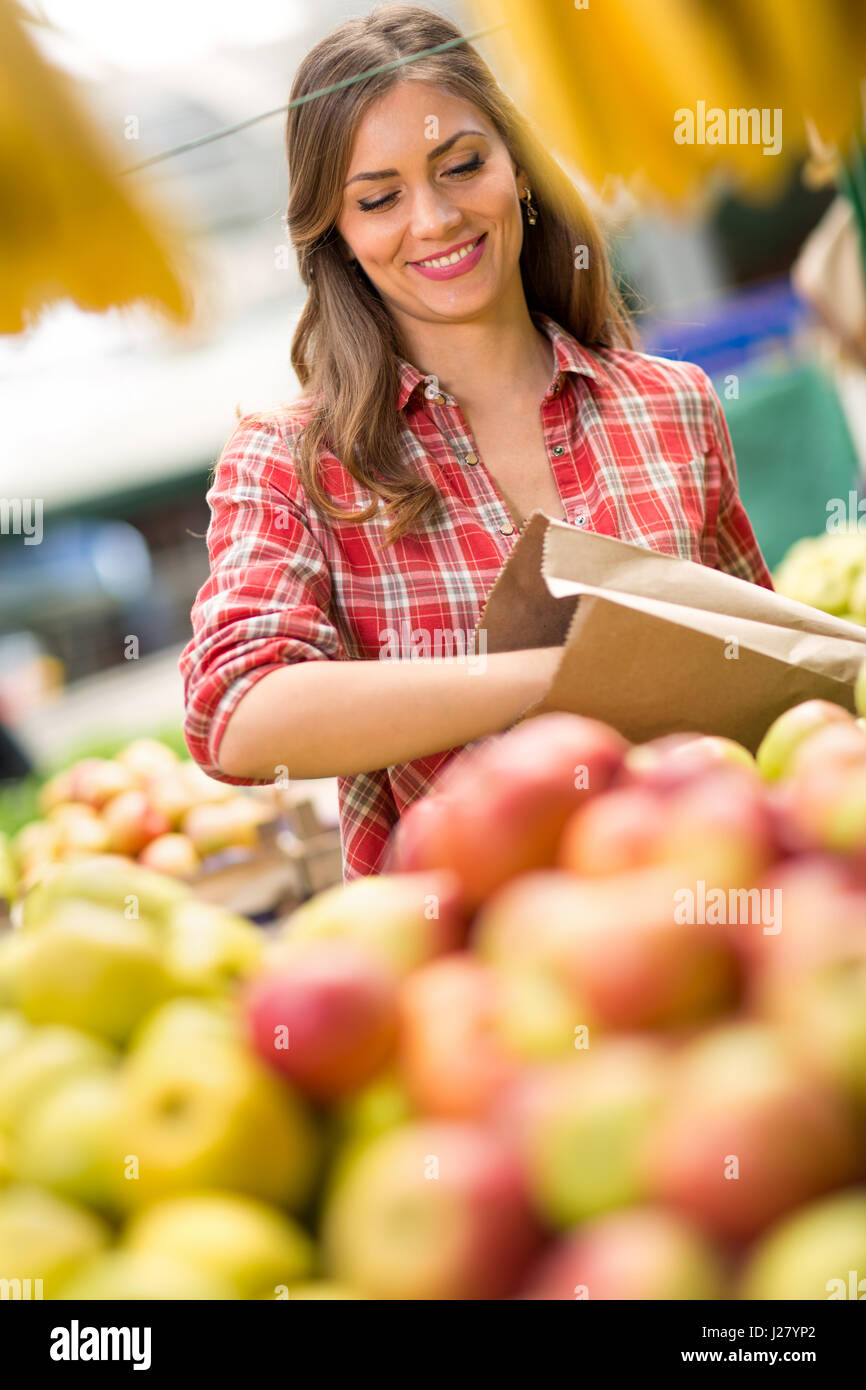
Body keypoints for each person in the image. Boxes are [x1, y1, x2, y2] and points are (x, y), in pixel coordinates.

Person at [180, 4, 774, 881]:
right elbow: (235, 714)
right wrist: (564, 677)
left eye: (462, 166)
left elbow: (761, 674)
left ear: (519, 170)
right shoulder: (294, 460)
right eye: (378, 199)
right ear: (337, 236)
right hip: (471, 974)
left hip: (697, 914)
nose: (435, 219)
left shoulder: (671, 405)